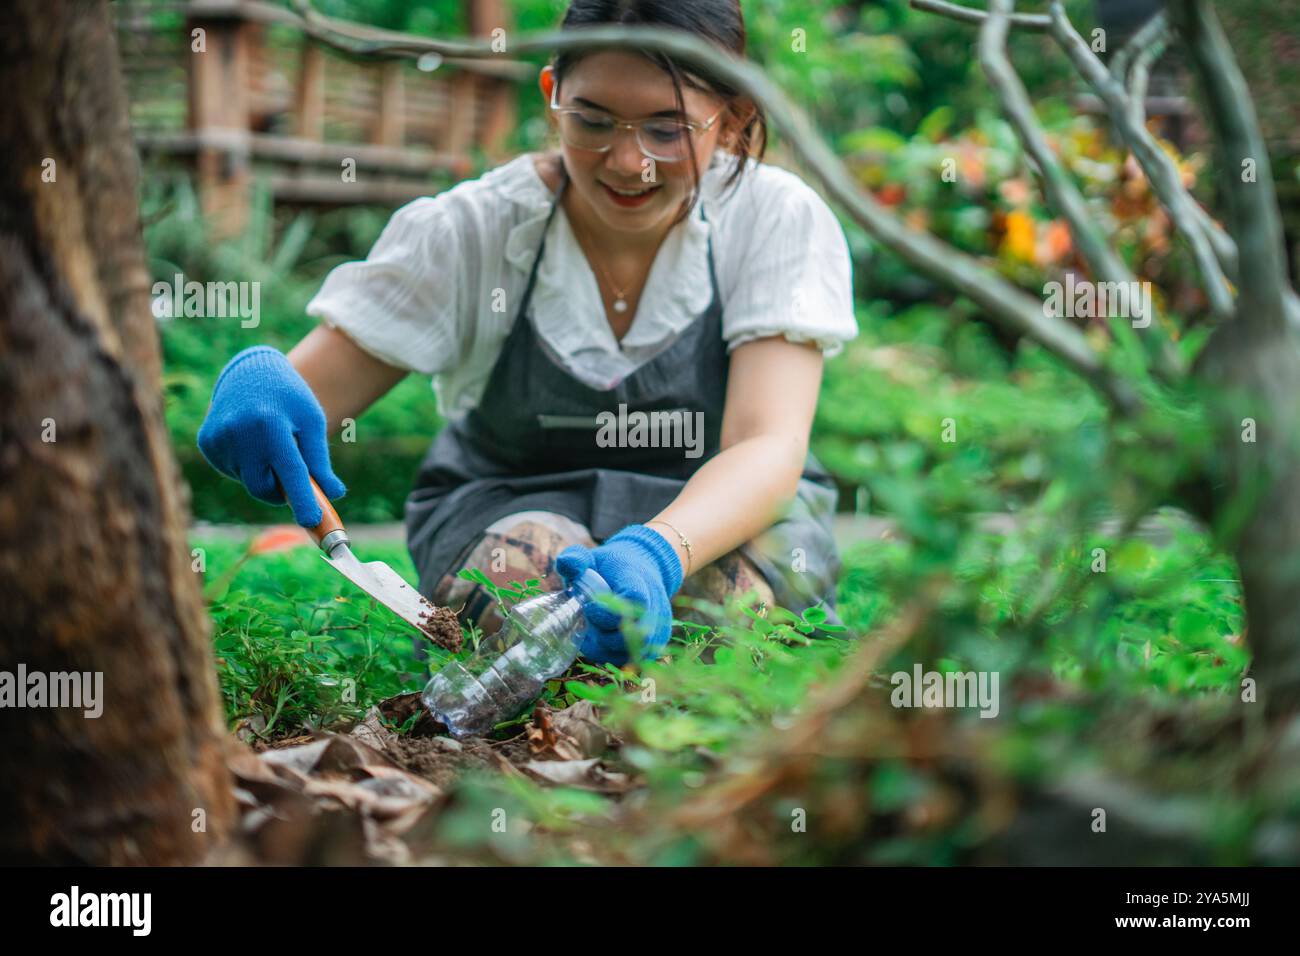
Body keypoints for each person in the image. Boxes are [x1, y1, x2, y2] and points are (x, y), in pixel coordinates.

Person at [197, 0, 857, 667]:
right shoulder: (475, 230)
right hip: (511, 505)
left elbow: (766, 444)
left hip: (720, 513)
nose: (628, 162)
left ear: (734, 116)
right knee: (524, 593)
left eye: (667, 129)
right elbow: (304, 396)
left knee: (727, 616)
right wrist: (257, 385)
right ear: (552, 96)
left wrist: (659, 551)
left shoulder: (774, 218)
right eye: (593, 120)